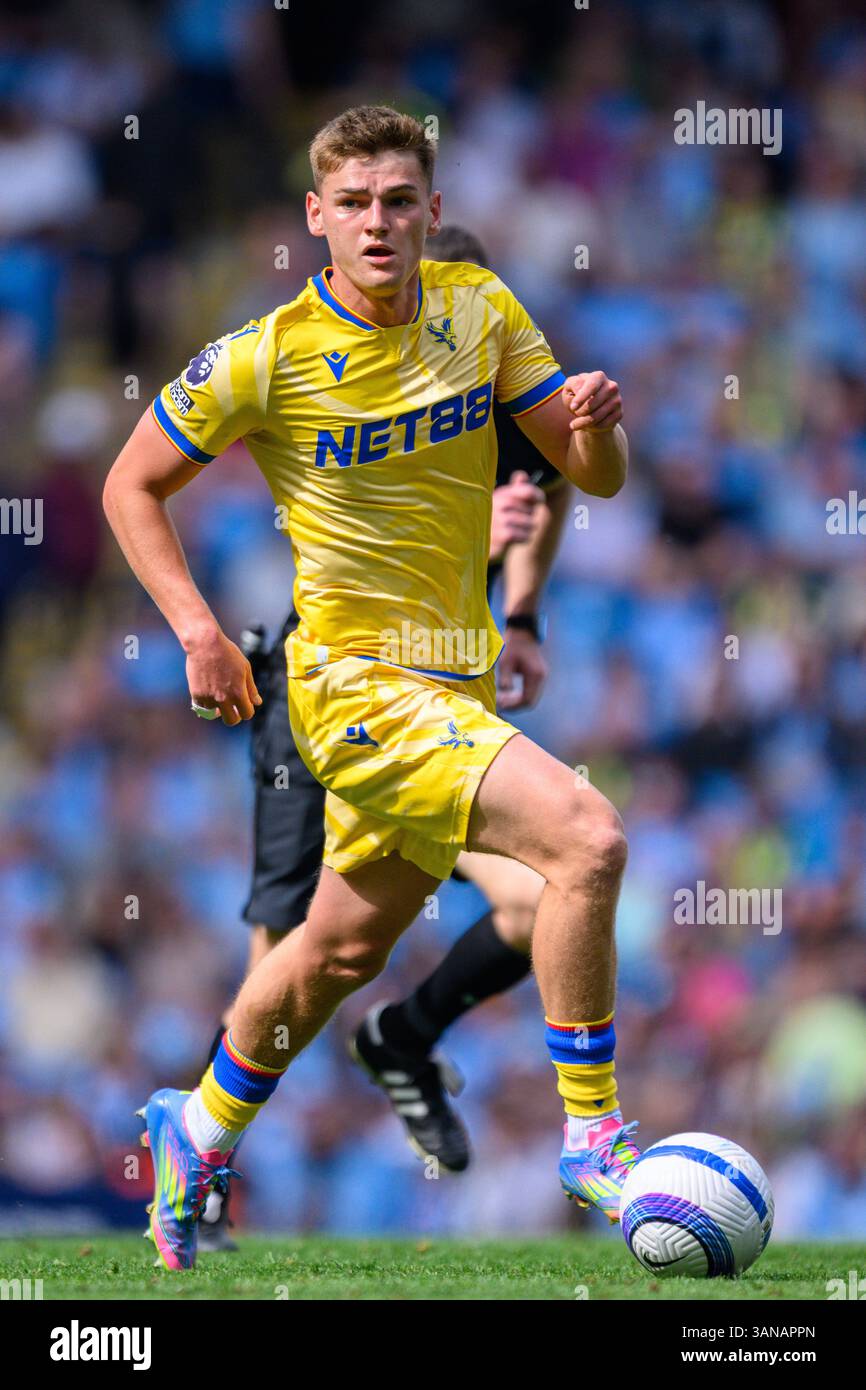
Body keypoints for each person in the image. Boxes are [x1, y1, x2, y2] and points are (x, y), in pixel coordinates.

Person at [103, 105, 636, 1272]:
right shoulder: (265, 355)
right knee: (586, 840)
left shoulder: (481, 312)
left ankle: (191, 1131)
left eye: (399, 200)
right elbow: (130, 483)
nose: (378, 221)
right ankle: (591, 1136)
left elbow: (582, 472)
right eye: (353, 203)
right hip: (349, 692)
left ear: (433, 211)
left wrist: (595, 429)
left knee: (334, 955)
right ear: (317, 218)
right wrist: (197, 631)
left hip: (451, 692)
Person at [198, 223, 572, 1251]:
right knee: (288, 957)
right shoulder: (360, 380)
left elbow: (553, 485)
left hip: (439, 695)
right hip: (318, 693)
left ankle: (404, 1037)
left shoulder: (505, 388)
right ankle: (204, 1168)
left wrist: (525, 613)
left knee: (542, 896)